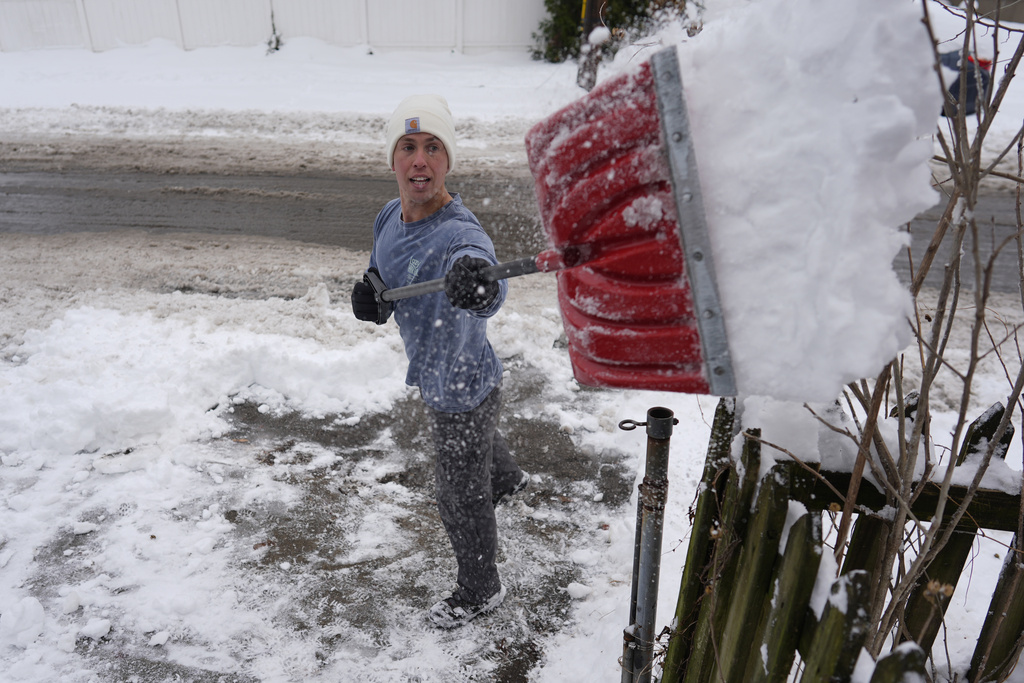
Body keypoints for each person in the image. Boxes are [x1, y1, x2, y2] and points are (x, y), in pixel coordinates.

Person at [350, 94, 529, 628]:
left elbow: (484, 278)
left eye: (433, 147)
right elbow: (383, 272)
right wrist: (371, 292)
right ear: (393, 160)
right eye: (408, 147)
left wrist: (477, 285)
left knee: (458, 495)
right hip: (449, 370)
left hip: (460, 386)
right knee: (479, 449)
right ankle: (510, 479)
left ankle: (480, 589)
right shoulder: (389, 215)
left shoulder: (460, 233)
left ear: (448, 161)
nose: (419, 159)